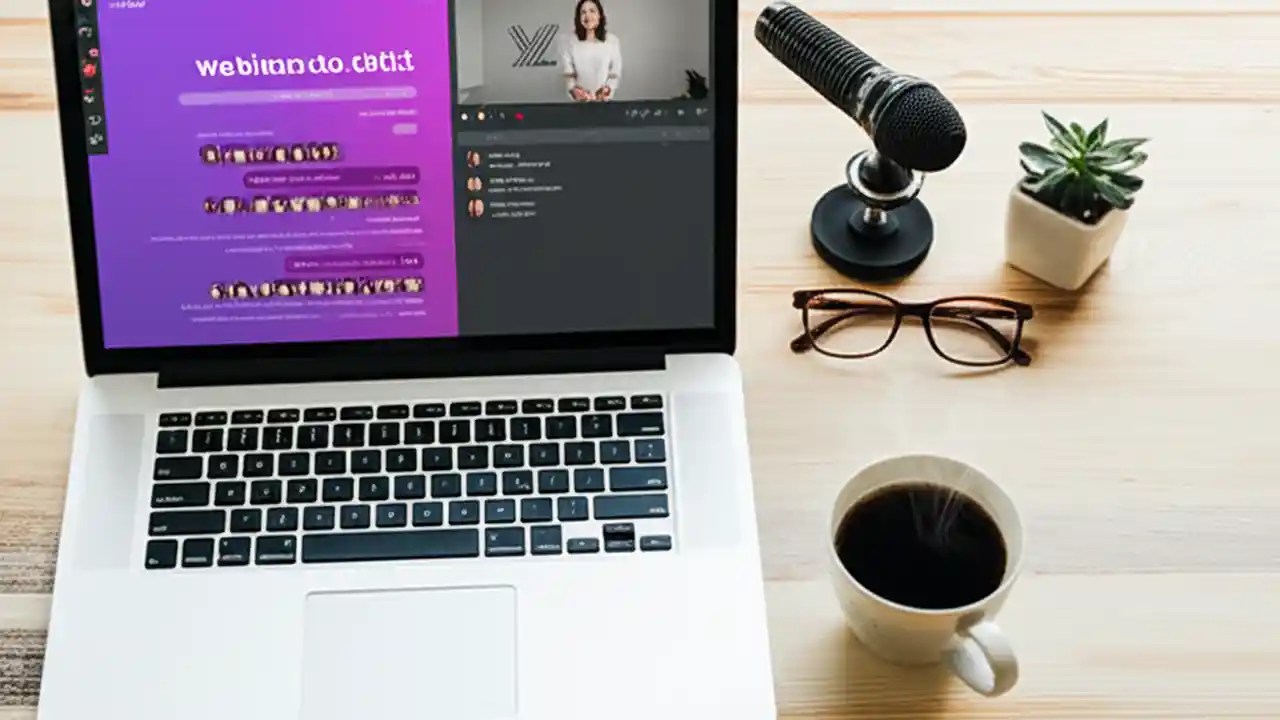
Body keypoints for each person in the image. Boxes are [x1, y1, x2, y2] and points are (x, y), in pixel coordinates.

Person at [561, 0, 621, 102]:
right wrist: (574, 90)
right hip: (579, 104)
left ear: (600, 15)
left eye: (592, 11)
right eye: (583, 12)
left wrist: (608, 89)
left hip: (604, 103)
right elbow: (568, 75)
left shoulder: (612, 41)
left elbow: (614, 73)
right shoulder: (570, 42)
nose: (587, 16)